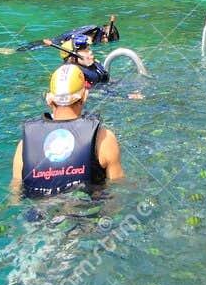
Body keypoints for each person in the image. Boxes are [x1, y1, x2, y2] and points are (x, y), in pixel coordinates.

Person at [11, 64, 123, 196]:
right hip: (85, 212)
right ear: (85, 96)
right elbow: (118, 190)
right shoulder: (104, 138)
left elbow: (15, 194)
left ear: (49, 99)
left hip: (40, 213)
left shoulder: (24, 145)